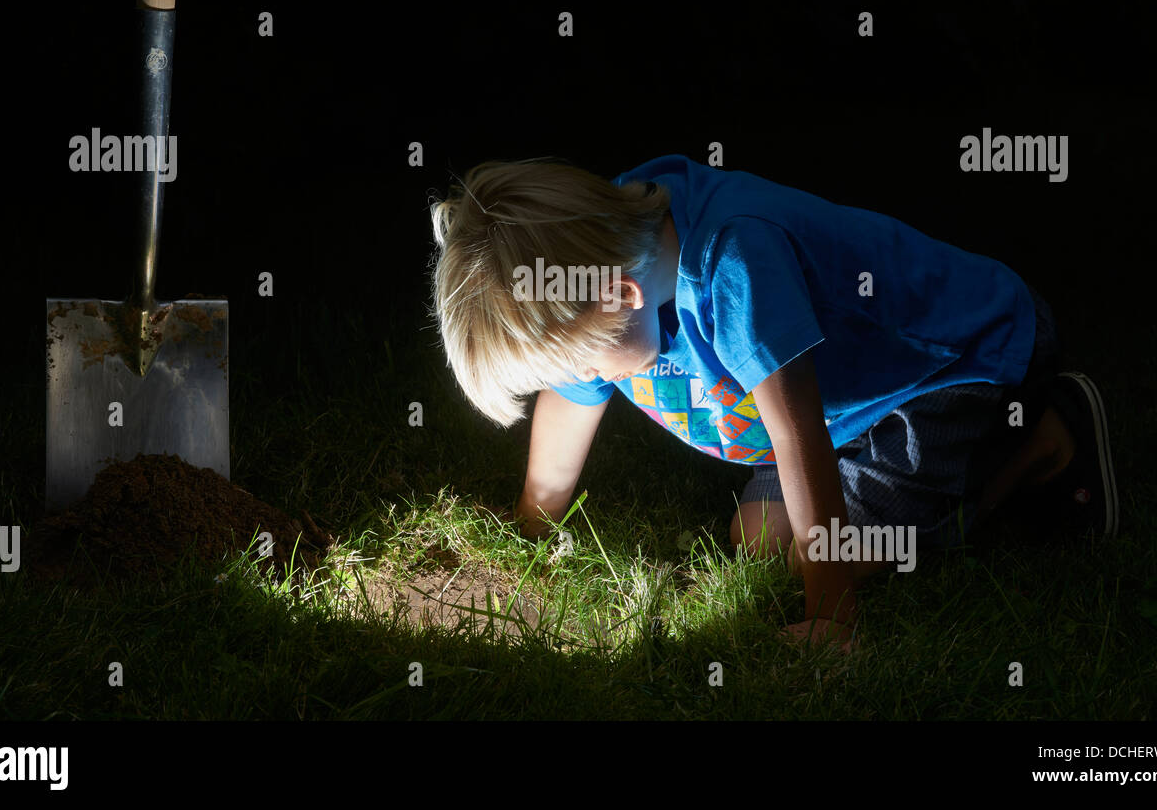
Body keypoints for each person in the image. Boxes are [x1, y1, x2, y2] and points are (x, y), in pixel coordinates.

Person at [428, 154, 1118, 650]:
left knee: (830, 560)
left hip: (955, 368)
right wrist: (530, 527)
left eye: (578, 361)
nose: (578, 377)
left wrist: (833, 616)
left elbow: (799, 438)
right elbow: (570, 406)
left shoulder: (734, 265)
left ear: (622, 297)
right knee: (755, 545)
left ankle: (1045, 442)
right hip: (840, 407)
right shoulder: (599, 254)